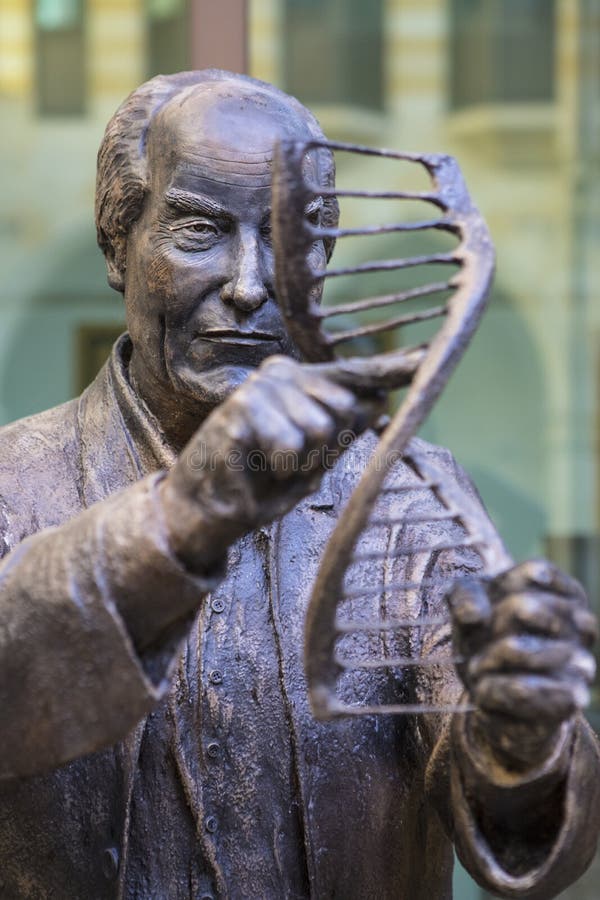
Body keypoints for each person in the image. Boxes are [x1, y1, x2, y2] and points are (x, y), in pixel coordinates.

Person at [0, 69, 598, 900]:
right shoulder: (13, 481)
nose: (250, 284)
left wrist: (522, 742)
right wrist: (184, 515)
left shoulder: (408, 501)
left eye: (288, 239)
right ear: (116, 247)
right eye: (200, 231)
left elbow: (522, 824)